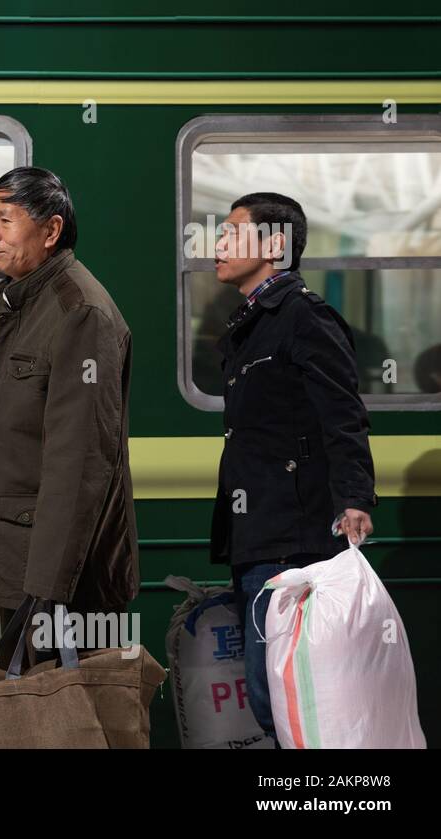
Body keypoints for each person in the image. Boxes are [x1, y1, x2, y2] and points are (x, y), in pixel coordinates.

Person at [209, 192, 375, 745]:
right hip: (257, 533)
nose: (218, 244)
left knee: (288, 692)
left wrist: (353, 499)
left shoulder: (304, 318)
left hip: (294, 535)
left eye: (233, 232)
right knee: (272, 692)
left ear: (275, 246)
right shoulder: (251, 324)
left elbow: (343, 415)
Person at [0, 167, 139, 652]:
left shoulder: (78, 311)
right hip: (24, 568)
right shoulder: (31, 305)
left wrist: (47, 590)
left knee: (61, 719)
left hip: (56, 583)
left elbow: (78, 460)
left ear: (52, 230)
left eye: (6, 219)